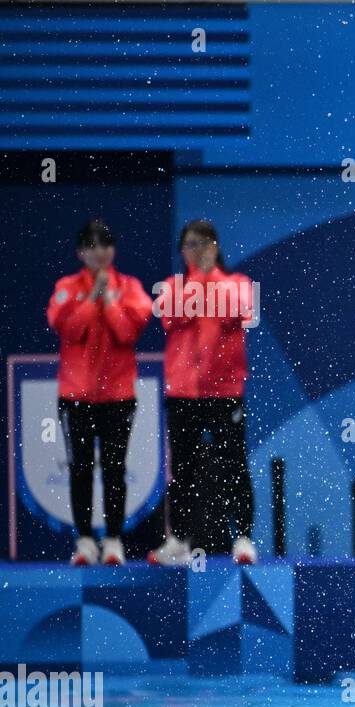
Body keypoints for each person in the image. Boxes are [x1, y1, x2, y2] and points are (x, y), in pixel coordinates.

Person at [149, 220, 258, 565]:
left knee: (233, 465)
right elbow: (173, 316)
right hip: (183, 392)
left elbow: (237, 312)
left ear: (216, 245)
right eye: (191, 244)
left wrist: (211, 276)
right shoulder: (171, 287)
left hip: (225, 390)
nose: (198, 249)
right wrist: (200, 276)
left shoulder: (238, 284)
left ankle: (242, 538)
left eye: (204, 243)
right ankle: (179, 541)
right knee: (183, 469)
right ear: (182, 251)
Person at [46, 220, 152, 565]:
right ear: (80, 252)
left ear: (113, 250)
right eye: (90, 246)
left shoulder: (131, 287)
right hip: (76, 396)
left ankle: (114, 540)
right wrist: (93, 296)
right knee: (80, 469)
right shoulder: (66, 287)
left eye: (104, 244)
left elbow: (127, 332)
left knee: (114, 468)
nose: (98, 252)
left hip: (118, 397)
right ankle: (85, 541)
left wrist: (107, 296)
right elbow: (70, 329)